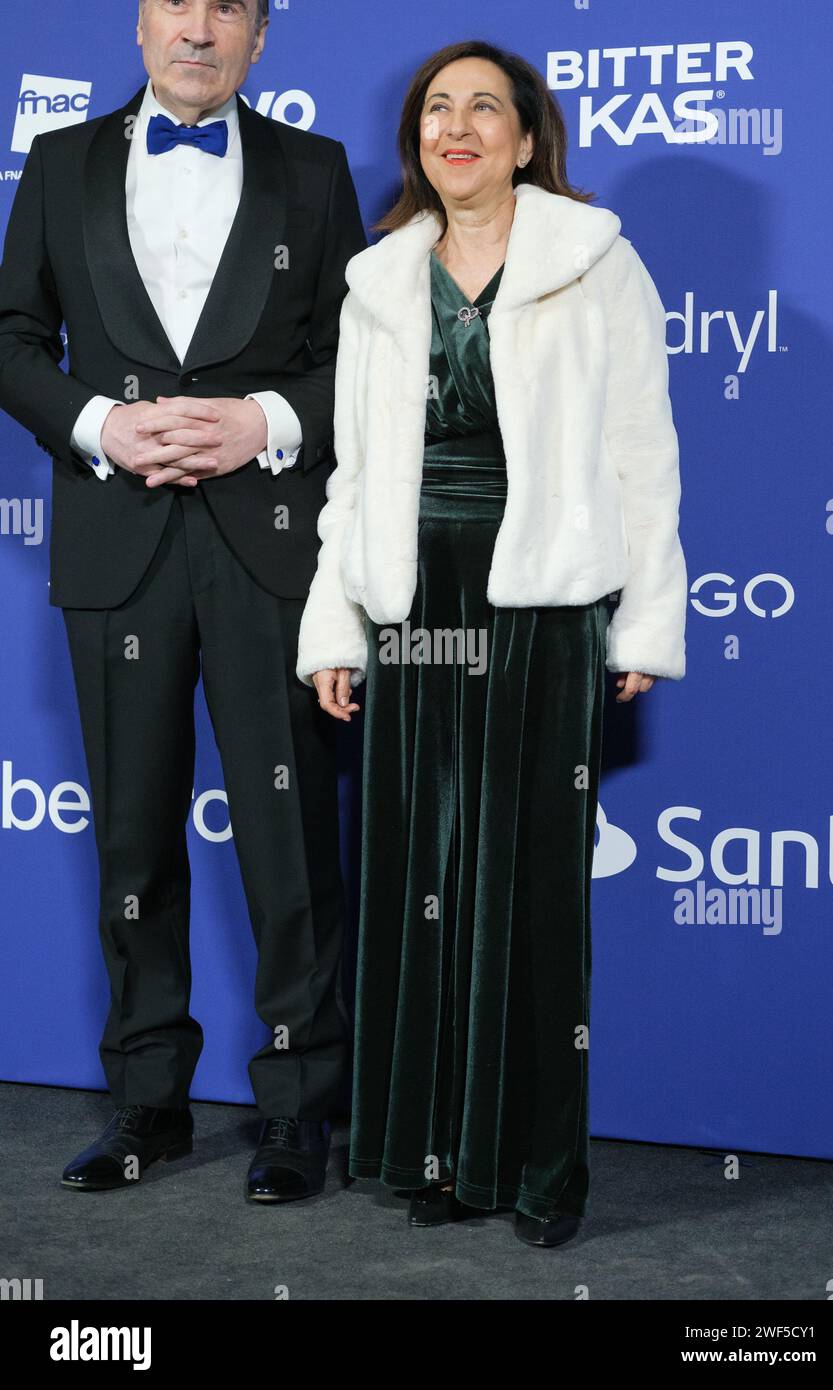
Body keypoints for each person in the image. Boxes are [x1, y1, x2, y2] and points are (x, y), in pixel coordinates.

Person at [296, 40, 687, 1248]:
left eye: (483, 109)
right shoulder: (378, 282)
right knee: (418, 875)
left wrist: (642, 617)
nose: (453, 126)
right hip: (414, 602)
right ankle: (434, 1154)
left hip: (541, 606)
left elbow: (642, 455)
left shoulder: (593, 261)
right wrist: (336, 622)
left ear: (527, 139)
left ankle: (532, 1170)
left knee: (524, 890)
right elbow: (354, 473)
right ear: (416, 137)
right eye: (434, 109)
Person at [0, 0, 366, 1200]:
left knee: (292, 841)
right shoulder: (57, 165)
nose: (197, 30)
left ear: (261, 38)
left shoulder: (314, 171)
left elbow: (351, 353)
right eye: (175, 5)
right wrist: (100, 424)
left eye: (227, 9)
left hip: (269, 546)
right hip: (120, 543)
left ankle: (302, 1110)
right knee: (132, 836)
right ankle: (147, 1103)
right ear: (138, 26)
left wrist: (266, 420)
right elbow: (11, 338)